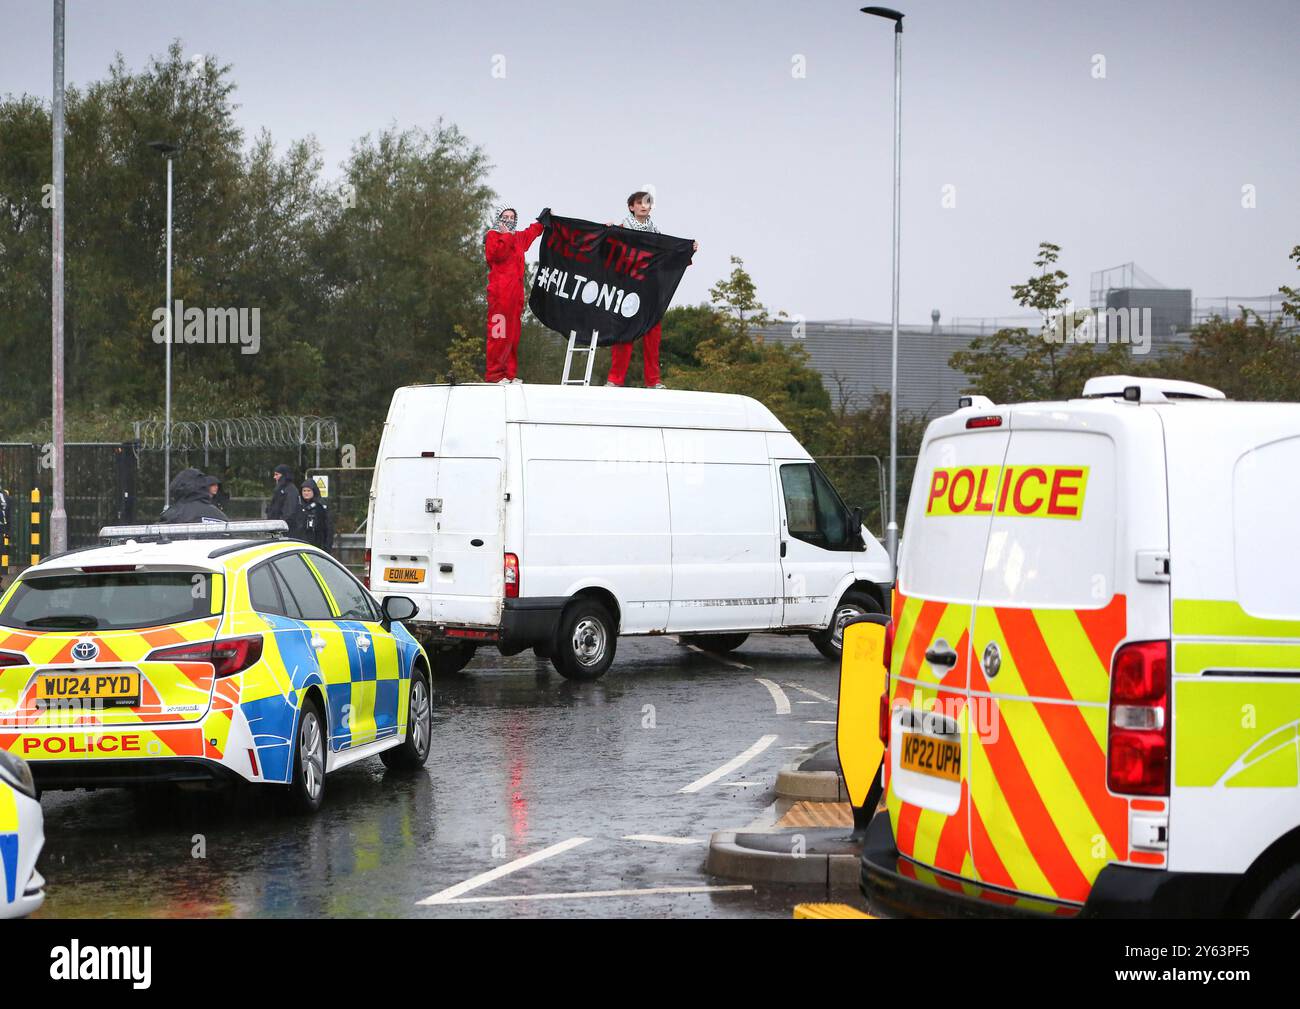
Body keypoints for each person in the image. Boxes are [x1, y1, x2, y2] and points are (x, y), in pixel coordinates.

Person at [606, 191, 698, 389]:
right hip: (628, 288)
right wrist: (606, 232)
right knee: (623, 334)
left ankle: (653, 381)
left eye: (647, 203)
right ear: (632, 207)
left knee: (652, 336)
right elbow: (607, 252)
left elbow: (668, 258)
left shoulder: (656, 234)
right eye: (639, 203)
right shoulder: (621, 229)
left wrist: (687, 250)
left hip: (650, 289)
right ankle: (615, 379)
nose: (643, 206)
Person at [484, 207, 545, 385]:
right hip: (499, 295)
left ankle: (509, 374)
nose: (509, 220)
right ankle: (494, 374)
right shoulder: (493, 236)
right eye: (505, 217)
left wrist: (542, 221)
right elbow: (497, 255)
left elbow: (531, 233)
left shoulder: (518, 237)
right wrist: (506, 235)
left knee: (513, 335)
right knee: (499, 334)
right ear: (499, 218)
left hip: (515, 295)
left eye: (512, 217)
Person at [159, 468, 229, 523]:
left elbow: (155, 534)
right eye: (213, 485)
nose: (216, 487)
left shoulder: (173, 515)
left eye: (217, 485)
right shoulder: (220, 516)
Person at [290, 480, 333, 552]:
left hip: (317, 545)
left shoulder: (321, 506)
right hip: (300, 544)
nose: (306, 493)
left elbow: (328, 528)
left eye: (309, 491)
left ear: (314, 491)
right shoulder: (297, 506)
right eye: (304, 491)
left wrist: (327, 547)